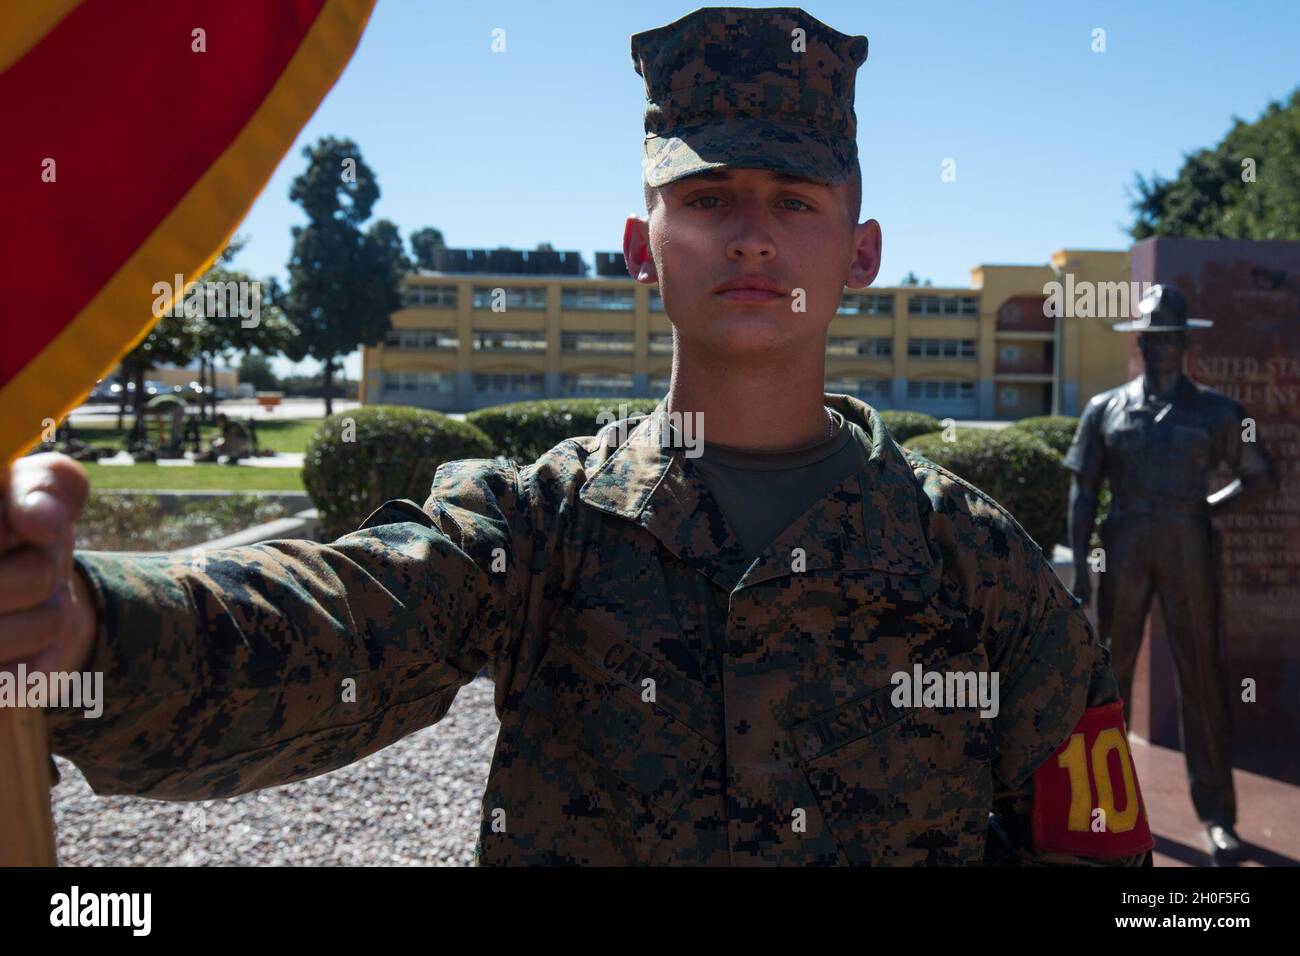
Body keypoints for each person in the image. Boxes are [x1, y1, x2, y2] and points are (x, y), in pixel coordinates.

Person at [0, 6, 1153, 866]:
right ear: (638, 247)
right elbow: (331, 634)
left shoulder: (979, 566)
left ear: (860, 252)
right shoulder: (536, 527)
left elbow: (1097, 853)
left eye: (794, 201)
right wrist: (86, 627)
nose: (751, 236)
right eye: (705, 198)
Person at [1065, 284, 1277, 864]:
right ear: (1140, 341)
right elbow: (1083, 491)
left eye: (1172, 339)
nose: (1162, 348)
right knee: (1110, 678)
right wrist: (1082, 566)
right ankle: (1103, 810)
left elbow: (1263, 476)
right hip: (1126, 543)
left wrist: (1206, 511)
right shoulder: (1104, 408)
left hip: (1189, 547)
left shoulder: (1216, 411)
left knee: (1203, 679)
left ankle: (1217, 816)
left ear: (1185, 344)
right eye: (1153, 338)